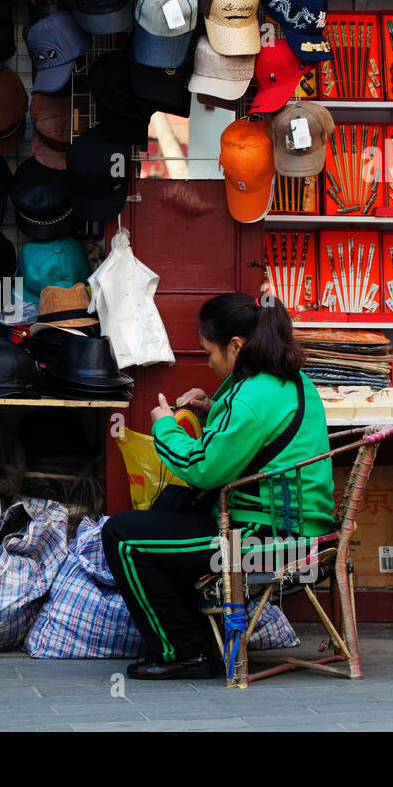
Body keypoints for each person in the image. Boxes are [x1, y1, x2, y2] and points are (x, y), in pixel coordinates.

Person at [102, 291, 333, 679]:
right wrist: (210, 409)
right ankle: (195, 637)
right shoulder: (286, 380)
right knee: (171, 508)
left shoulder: (251, 396)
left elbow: (205, 468)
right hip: (298, 528)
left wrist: (163, 424)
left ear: (236, 345)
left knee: (123, 536)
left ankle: (185, 651)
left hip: (270, 541)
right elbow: (252, 437)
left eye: (210, 352)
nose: (208, 362)